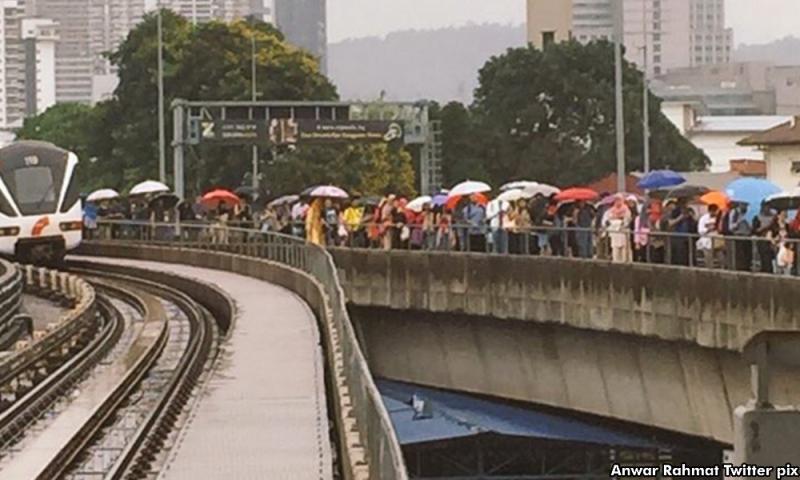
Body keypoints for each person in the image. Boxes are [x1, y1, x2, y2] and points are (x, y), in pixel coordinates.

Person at [604, 195, 631, 263]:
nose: (617, 202)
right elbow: (608, 220)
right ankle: (616, 262)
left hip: (623, 232)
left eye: (619, 200)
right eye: (616, 200)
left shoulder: (626, 209)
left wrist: (620, 220)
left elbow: (627, 221)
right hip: (615, 233)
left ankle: (625, 263)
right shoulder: (611, 210)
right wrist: (613, 220)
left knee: (624, 249)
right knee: (615, 249)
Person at [751, 204, 776, 273]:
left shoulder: (773, 217)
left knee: (771, 256)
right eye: (766, 207)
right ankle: (765, 270)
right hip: (761, 240)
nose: (767, 209)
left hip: (771, 240)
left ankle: (770, 270)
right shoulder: (757, 218)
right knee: (764, 256)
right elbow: (754, 230)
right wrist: (765, 227)